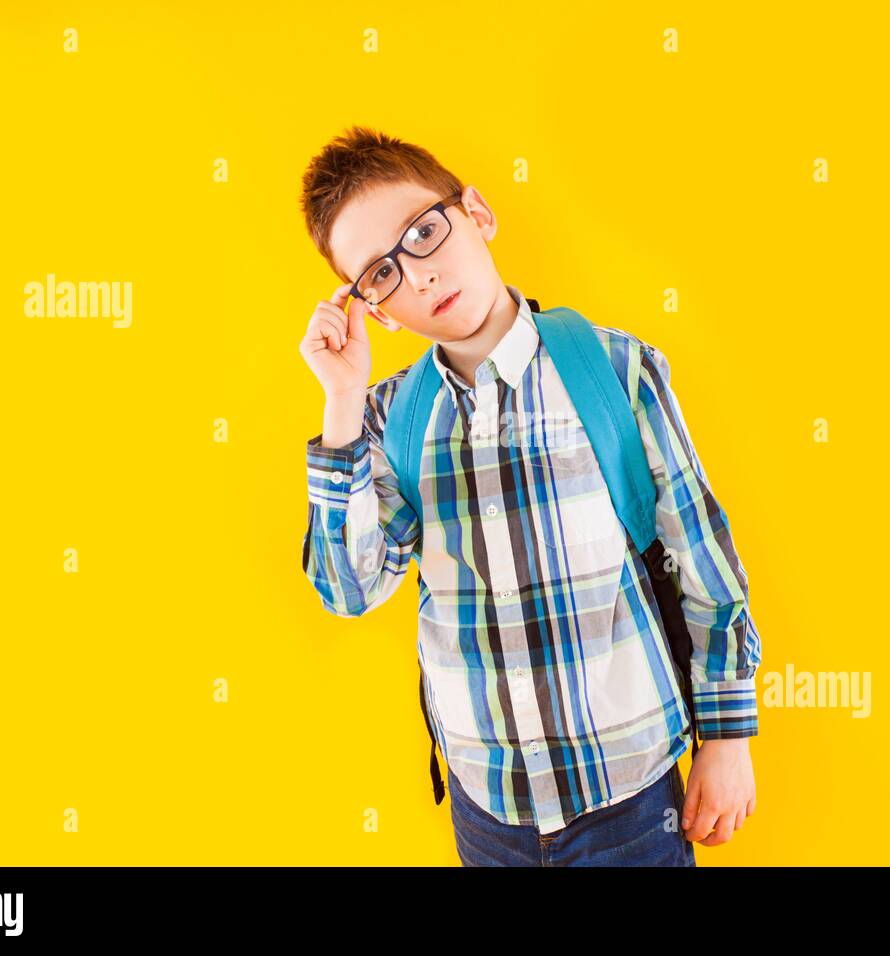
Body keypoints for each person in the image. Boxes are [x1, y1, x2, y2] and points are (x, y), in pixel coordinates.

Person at [297, 125, 761, 866]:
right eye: (380, 274)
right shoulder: (388, 418)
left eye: (424, 232)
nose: (416, 275)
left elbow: (702, 562)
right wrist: (343, 403)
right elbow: (348, 589)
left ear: (476, 214)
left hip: (631, 797)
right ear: (374, 309)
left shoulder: (615, 369)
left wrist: (728, 736)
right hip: (489, 810)